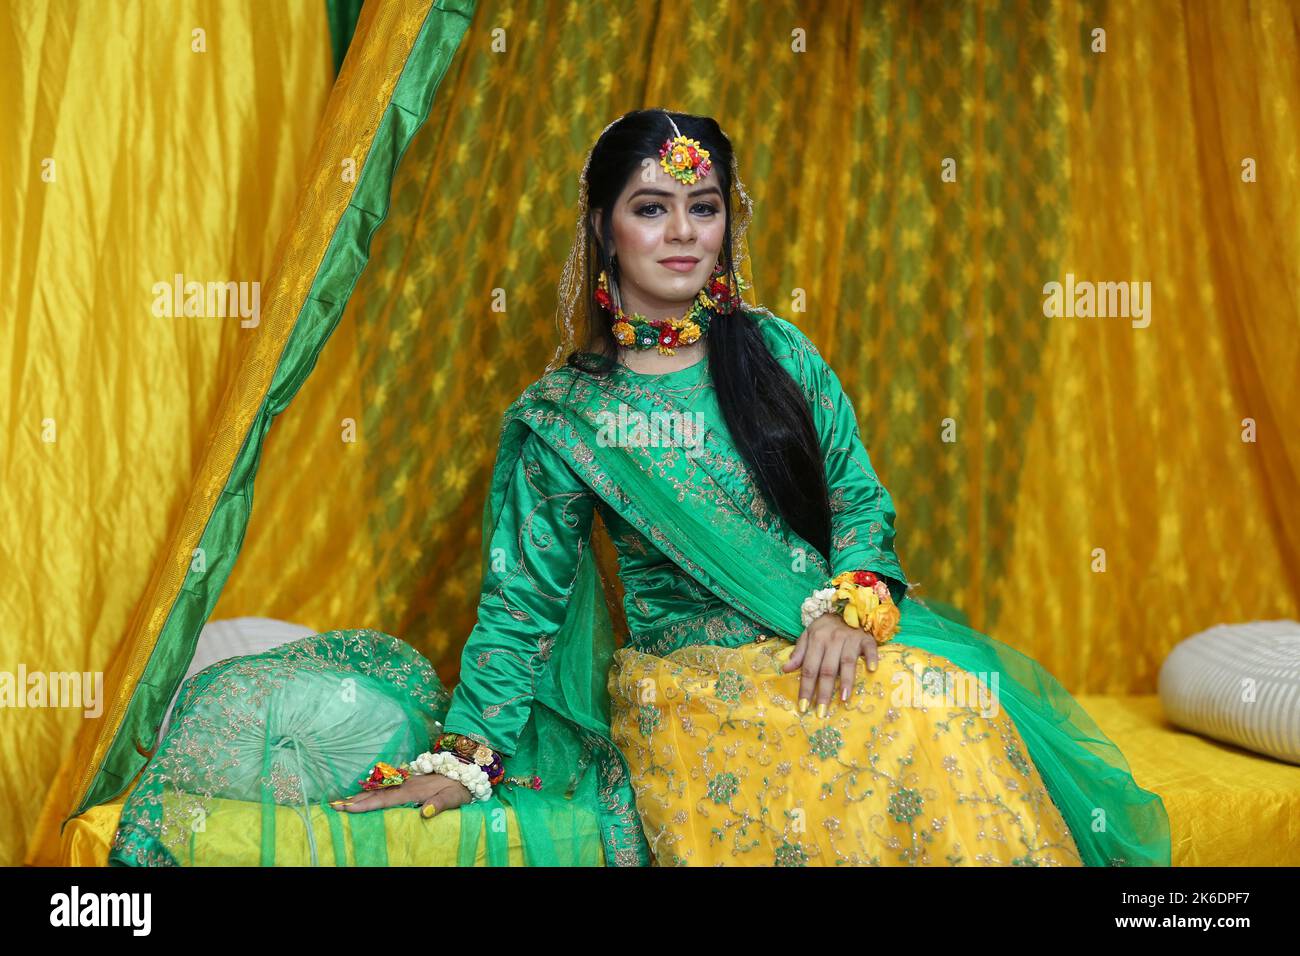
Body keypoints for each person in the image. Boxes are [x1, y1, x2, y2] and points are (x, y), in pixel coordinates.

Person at [110, 109, 1171, 867]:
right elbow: (521, 600)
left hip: (829, 646)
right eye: (652, 207)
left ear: (726, 224)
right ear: (602, 228)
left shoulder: (775, 351)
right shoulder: (565, 415)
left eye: (701, 207)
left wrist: (853, 602)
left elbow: (859, 497)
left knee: (948, 711)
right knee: (896, 737)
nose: (681, 232)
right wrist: (468, 752)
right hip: (690, 683)